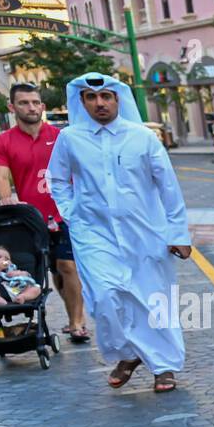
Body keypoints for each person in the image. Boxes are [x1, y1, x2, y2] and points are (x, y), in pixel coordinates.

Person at [48, 72, 191, 394]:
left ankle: (163, 365)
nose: (99, 103)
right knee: (104, 297)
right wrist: (71, 213)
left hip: (146, 232)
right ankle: (127, 354)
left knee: (153, 300)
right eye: (91, 97)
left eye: (106, 97)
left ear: (117, 99)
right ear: (81, 102)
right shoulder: (70, 138)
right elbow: (57, 179)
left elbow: (168, 187)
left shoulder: (142, 137)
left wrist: (178, 232)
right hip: (93, 233)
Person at [0, 82, 90, 343]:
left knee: (67, 266)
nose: (31, 107)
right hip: (30, 222)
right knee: (52, 273)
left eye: (36, 102)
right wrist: (7, 203)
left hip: (64, 214)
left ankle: (77, 323)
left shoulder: (62, 137)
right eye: (24, 103)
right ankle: (72, 316)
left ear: (43, 106)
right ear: (12, 107)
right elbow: (1, 176)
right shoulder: (3, 141)